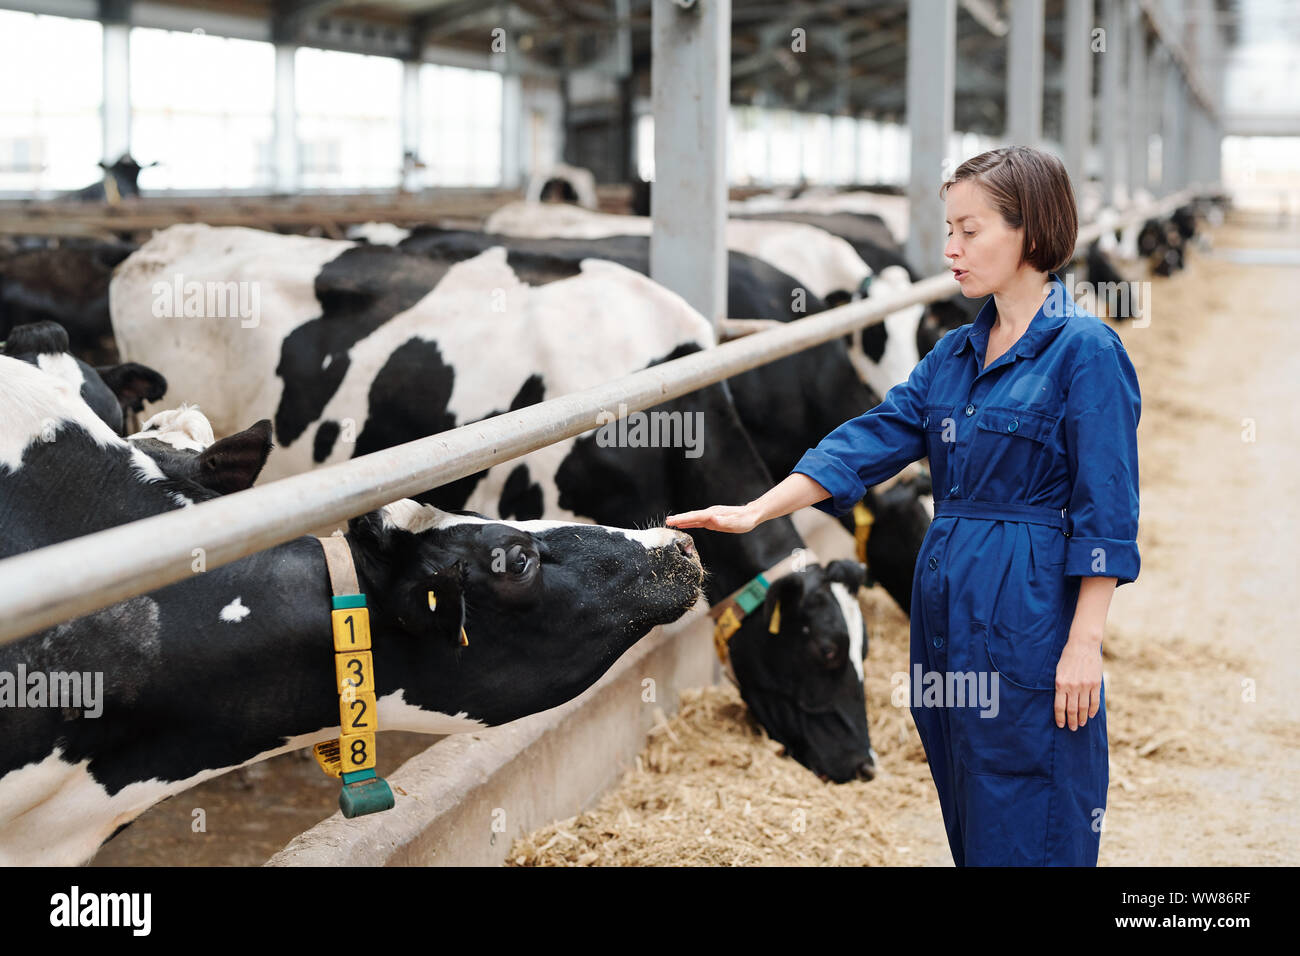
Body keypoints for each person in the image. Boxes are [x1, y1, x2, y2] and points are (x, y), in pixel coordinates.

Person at [666, 146, 1141, 867]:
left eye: (970, 231)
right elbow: (867, 441)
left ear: (1031, 231)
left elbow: (1107, 510)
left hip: (1029, 610)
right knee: (971, 799)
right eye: (949, 230)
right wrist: (759, 510)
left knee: (1036, 800)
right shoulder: (954, 354)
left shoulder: (1086, 352)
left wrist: (1084, 643)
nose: (950, 250)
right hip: (945, 614)